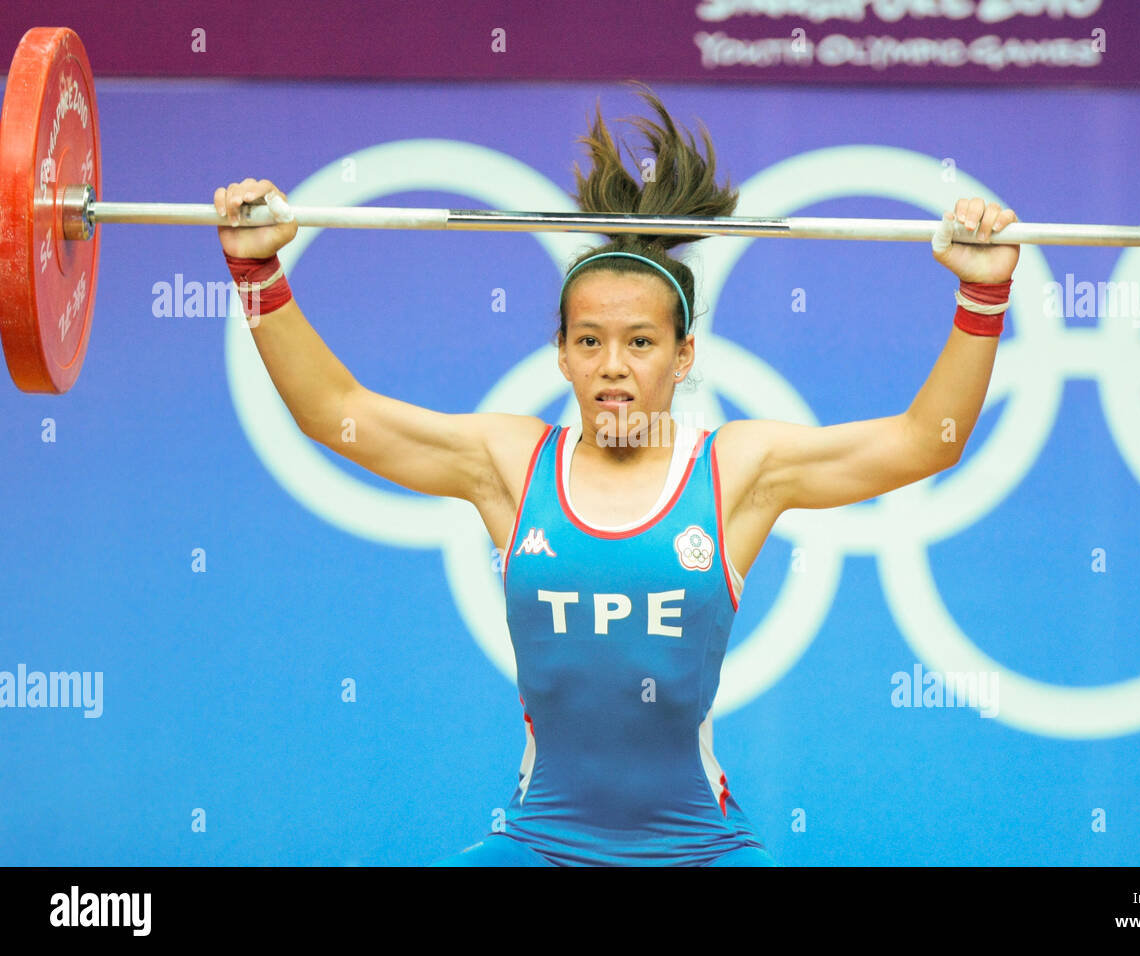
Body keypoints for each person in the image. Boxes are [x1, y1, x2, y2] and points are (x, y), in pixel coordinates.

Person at [213, 86, 1019, 867]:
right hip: (540, 845)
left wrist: (983, 291)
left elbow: (926, 442)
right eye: (590, 342)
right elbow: (333, 409)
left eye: (641, 343)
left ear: (684, 356)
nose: (613, 368)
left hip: (701, 849)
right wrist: (258, 273)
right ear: (561, 355)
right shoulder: (508, 464)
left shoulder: (738, 470)